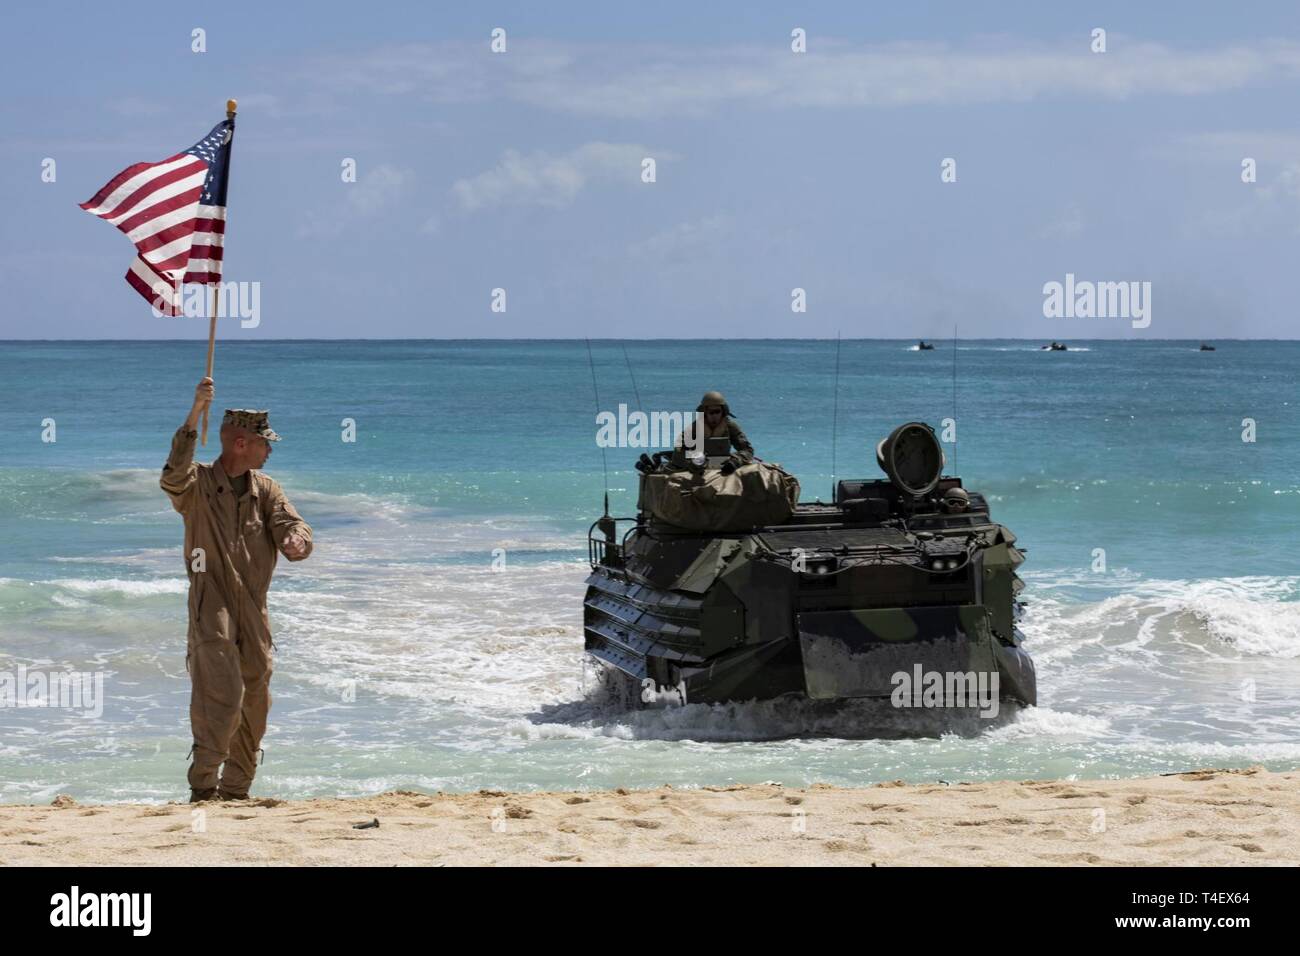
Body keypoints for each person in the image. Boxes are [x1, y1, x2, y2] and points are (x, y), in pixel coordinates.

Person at [160, 377, 313, 802]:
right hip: (213, 605)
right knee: (222, 696)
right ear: (241, 443)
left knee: (257, 696)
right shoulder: (199, 486)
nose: (270, 451)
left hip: (254, 607)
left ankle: (237, 788)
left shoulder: (266, 489)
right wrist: (195, 410)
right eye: (266, 443)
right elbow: (172, 477)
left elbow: (290, 523)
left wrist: (296, 540)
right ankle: (204, 785)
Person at [674, 390, 754, 473]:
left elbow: (748, 450)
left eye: (717, 411)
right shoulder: (695, 427)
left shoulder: (730, 426)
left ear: (723, 411)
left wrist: (735, 461)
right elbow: (679, 450)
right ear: (705, 412)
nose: (714, 415)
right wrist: (693, 461)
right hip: (699, 469)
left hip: (725, 468)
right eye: (711, 412)